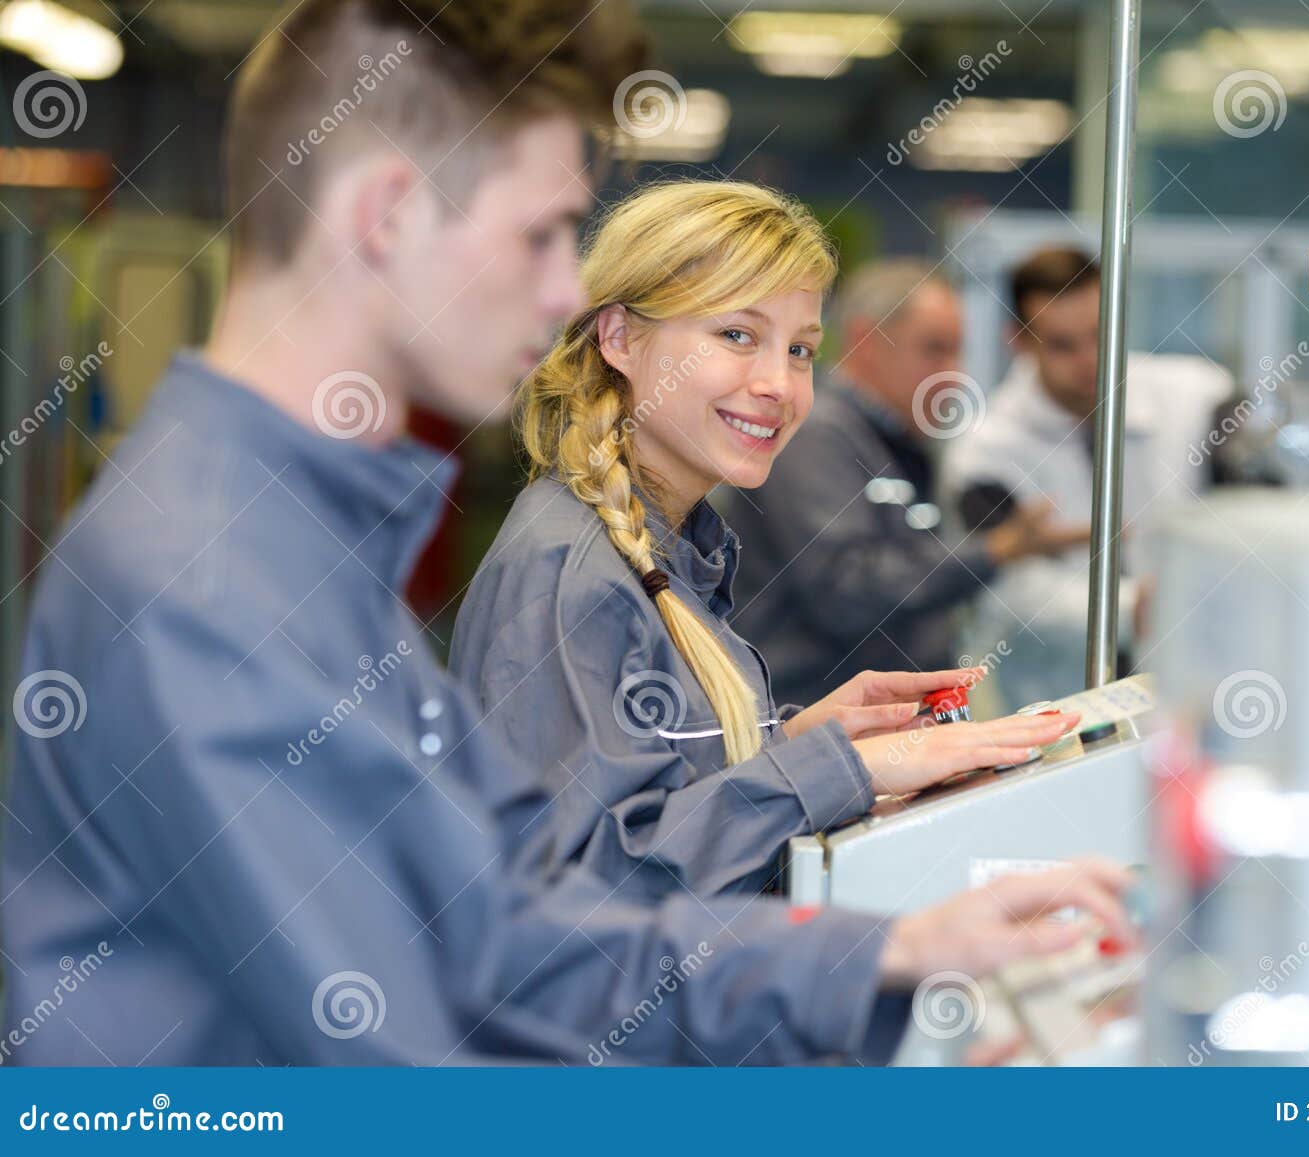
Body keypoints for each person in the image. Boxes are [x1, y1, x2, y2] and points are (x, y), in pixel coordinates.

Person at [0, 0, 1135, 1066]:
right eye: (542, 235)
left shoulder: (286, 537)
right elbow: (440, 1035)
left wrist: (890, 954)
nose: (563, 298)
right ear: (387, 215)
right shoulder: (216, 581)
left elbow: (512, 918)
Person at [449, 182, 1081, 901]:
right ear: (620, 337)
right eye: (737, 335)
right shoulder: (573, 575)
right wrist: (843, 771)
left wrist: (798, 744)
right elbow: (588, 891)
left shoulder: (672, 551)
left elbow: (664, 795)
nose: (779, 385)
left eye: (802, 349)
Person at [722, 259, 1088, 711]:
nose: (952, 372)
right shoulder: (815, 436)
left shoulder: (898, 441)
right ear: (866, 342)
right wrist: (994, 550)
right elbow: (846, 590)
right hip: (813, 726)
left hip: (874, 729)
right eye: (935, 350)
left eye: (958, 352)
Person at [943, 247, 1232, 710]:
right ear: (1018, 340)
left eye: (1100, 335)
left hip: (1191, 691)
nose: (1088, 360)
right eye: (1062, 344)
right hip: (1058, 703)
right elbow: (1009, 592)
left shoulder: (1197, 395)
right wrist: (1136, 604)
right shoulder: (984, 454)